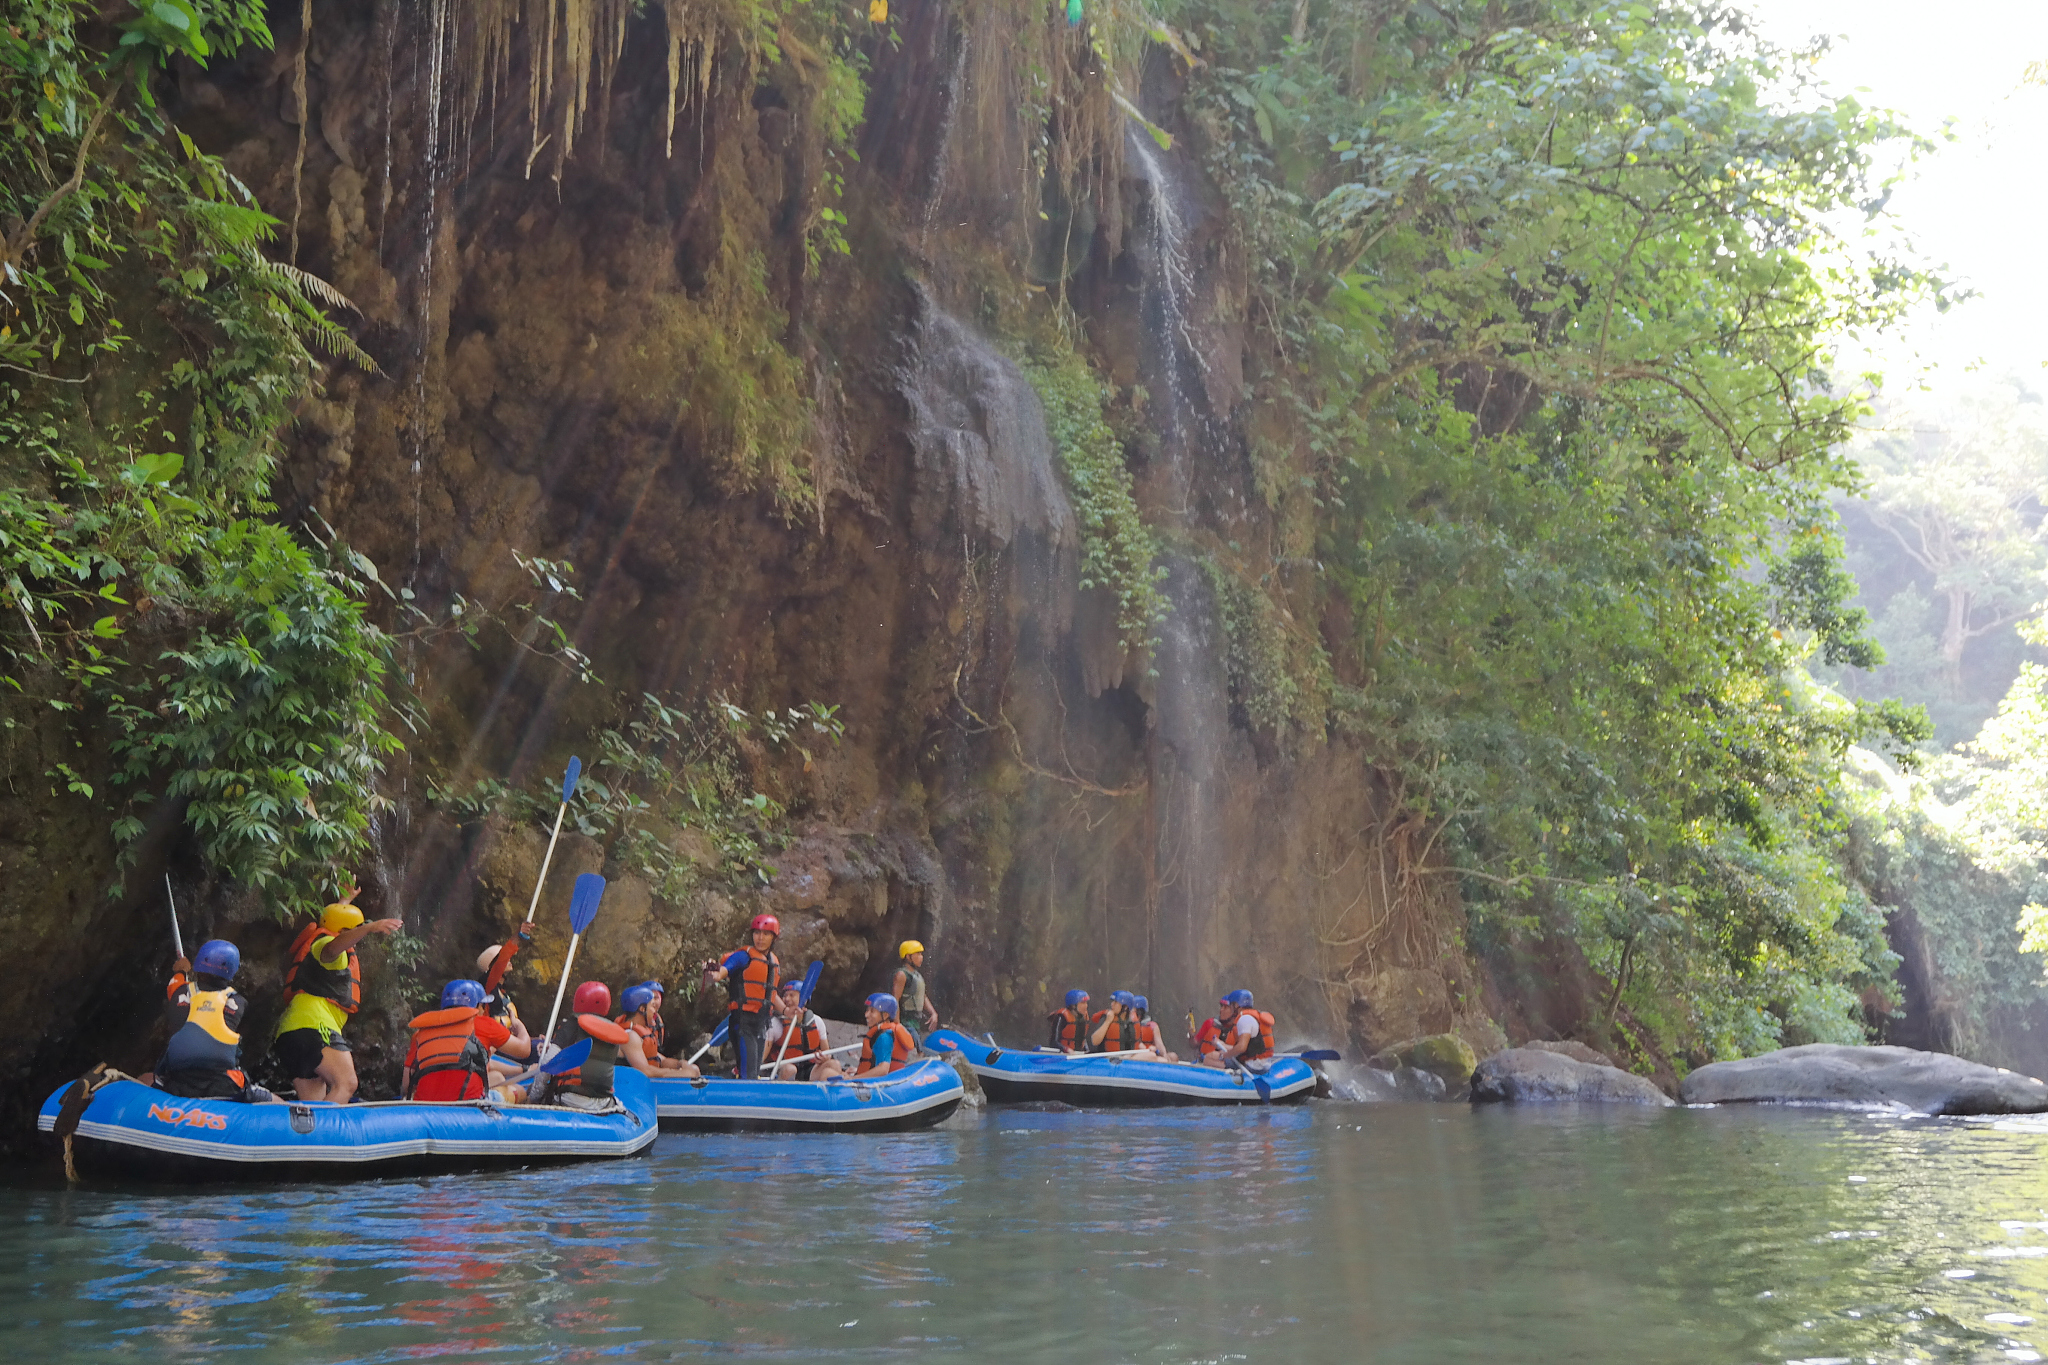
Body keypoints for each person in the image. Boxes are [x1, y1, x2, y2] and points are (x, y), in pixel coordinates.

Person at [274, 887, 403, 1102]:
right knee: (346, 1083)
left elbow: (333, 922)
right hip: (314, 1027)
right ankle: (325, 1135)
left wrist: (344, 901)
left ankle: (311, 1134)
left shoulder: (319, 938)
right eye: (354, 930)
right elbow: (335, 946)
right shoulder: (327, 947)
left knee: (314, 1105)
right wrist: (370, 928)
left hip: (291, 1032)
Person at [155, 939, 272, 1102]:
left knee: (147, 1077)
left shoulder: (179, 990)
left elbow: (176, 984)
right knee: (268, 1097)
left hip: (176, 1081)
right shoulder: (238, 1002)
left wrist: (181, 971)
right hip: (222, 1083)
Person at [403, 979, 531, 1101]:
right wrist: (519, 1025)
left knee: (496, 1077)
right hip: (468, 1105)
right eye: (483, 1006)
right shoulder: (484, 1024)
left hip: (425, 1105)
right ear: (477, 1006)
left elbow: (406, 1084)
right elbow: (524, 1050)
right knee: (519, 1090)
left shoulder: (420, 1033)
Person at [704, 914, 781, 1080]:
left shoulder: (772, 962)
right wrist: (713, 974)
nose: (760, 938)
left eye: (766, 934)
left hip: (761, 1024)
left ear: (774, 937)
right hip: (743, 1022)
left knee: (753, 1070)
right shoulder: (742, 956)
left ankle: (744, 1091)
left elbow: (771, 994)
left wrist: (788, 1010)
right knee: (749, 1072)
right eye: (757, 933)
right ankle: (746, 1097)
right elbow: (722, 973)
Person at [543, 982, 643, 1110]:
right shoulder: (613, 1031)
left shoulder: (572, 1025)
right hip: (603, 1101)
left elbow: (548, 1064)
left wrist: (534, 1096)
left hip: (570, 1098)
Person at [475, 930, 535, 1085]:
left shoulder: (502, 994)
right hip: (498, 1045)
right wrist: (518, 938)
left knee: (542, 1046)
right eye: (503, 958)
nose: (508, 960)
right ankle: (527, 1071)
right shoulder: (486, 987)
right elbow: (500, 962)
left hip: (506, 1042)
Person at [766, 977, 842, 1081]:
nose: (786, 999)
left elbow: (826, 1053)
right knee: (790, 1069)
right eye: (784, 996)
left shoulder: (817, 1021)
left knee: (834, 1064)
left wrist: (825, 1058)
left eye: (792, 995)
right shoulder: (775, 1023)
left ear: (804, 999)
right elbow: (763, 1057)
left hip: (808, 1070)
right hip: (783, 1070)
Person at [617, 982, 697, 1076]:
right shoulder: (630, 1036)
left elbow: (661, 1060)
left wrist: (680, 1064)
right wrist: (679, 1073)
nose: (655, 1011)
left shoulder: (640, 1035)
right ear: (642, 1009)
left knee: (693, 1069)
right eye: (652, 1006)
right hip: (628, 1087)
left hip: (642, 1086)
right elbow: (645, 1072)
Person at [1201, 988, 1276, 1069]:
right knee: (1217, 1054)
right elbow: (1247, 1048)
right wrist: (1222, 1045)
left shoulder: (1244, 1019)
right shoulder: (1253, 1017)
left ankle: (1226, 1078)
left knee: (1208, 1059)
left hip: (1253, 1066)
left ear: (1236, 1005)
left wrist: (1224, 1055)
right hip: (1263, 1063)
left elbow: (1241, 1048)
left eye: (1231, 1005)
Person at [849, 993, 917, 1079]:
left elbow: (883, 1070)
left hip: (882, 1083)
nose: (866, 1015)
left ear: (885, 1015)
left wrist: (852, 1078)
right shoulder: (880, 1033)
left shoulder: (884, 1037)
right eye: (867, 1010)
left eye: (872, 1011)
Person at [892, 940, 939, 1044]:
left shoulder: (917, 975)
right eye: (918, 954)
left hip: (915, 1021)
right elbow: (895, 1000)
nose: (921, 957)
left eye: (921, 954)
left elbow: (923, 996)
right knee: (916, 1049)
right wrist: (897, 1026)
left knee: (917, 1045)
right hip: (905, 1021)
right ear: (908, 957)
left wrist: (933, 1013)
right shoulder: (902, 975)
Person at [1132, 995, 1176, 1062]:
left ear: (1139, 1011)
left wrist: (1164, 1055)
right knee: (1154, 1057)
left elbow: (1159, 1045)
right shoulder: (1130, 1025)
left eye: (1133, 1009)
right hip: (1137, 1055)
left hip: (1151, 1053)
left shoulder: (1152, 1026)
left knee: (1173, 1056)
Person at [1046, 988, 1090, 1052]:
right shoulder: (1061, 1017)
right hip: (1063, 1054)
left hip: (1078, 1054)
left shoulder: (1083, 1018)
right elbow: (1053, 1042)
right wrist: (1066, 1049)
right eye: (1083, 1003)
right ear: (1073, 1006)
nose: (1086, 1006)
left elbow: (1082, 1038)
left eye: (1086, 1003)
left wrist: (1087, 1051)